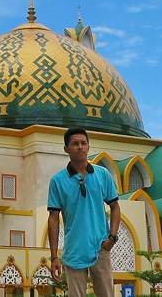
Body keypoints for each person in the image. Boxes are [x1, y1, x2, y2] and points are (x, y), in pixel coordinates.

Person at [48, 127, 121, 297]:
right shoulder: (58, 181)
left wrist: (112, 237)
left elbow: (115, 206)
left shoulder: (102, 174)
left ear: (88, 146)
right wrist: (53, 257)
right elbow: (53, 218)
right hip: (74, 250)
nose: (80, 147)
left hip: (100, 248)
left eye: (83, 143)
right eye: (75, 144)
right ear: (66, 149)